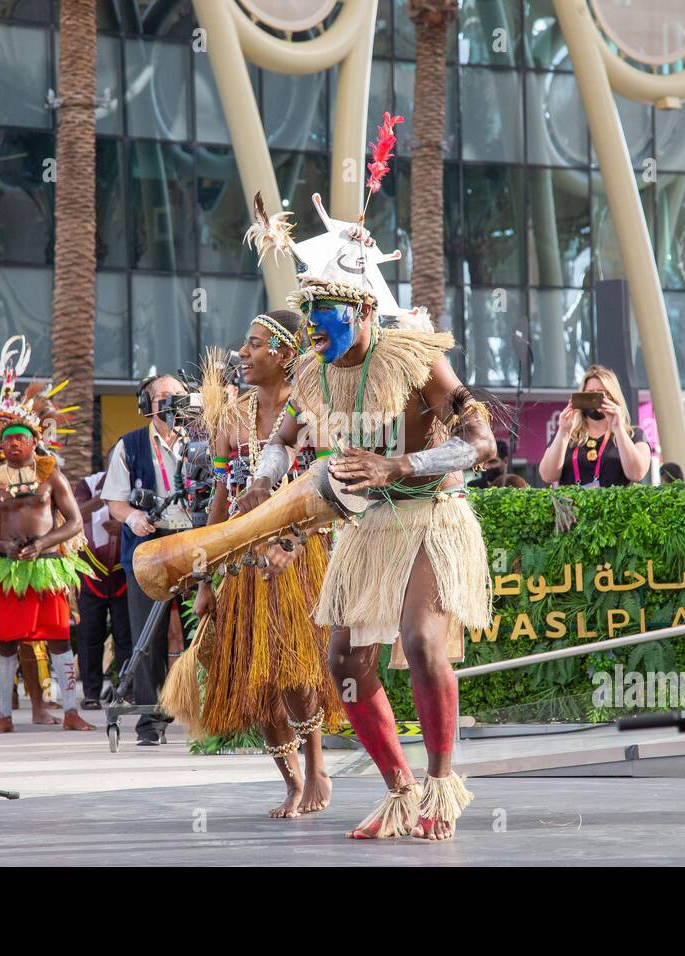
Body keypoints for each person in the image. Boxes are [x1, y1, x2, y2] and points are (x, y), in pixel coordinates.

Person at [235, 160, 495, 841]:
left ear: (366, 309)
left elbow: (481, 442)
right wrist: (262, 480)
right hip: (365, 525)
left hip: (431, 514)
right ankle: (399, 791)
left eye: (327, 310)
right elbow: (281, 436)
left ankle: (441, 784)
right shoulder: (312, 369)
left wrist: (399, 463)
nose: (315, 322)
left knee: (419, 638)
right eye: (309, 311)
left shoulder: (416, 358)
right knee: (345, 664)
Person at [169, 311, 342, 818]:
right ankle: (289, 779)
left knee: (295, 671)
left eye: (255, 345)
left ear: (287, 355)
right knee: (253, 675)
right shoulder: (229, 418)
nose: (242, 354)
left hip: (301, 557)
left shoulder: (313, 413)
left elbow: (328, 493)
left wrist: (289, 543)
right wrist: (204, 577)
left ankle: (316, 770)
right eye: (245, 345)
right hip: (244, 564)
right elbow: (218, 505)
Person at [0, 406, 93, 734]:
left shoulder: (52, 475)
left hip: (48, 567)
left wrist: (43, 543)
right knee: (6, 643)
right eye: (6, 440)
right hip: (9, 570)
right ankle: (4, 715)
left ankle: (71, 711)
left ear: (35, 441)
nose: (13, 445)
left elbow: (75, 521)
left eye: (20, 439)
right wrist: (4, 548)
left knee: (60, 641)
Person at [102, 374, 193, 746]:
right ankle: (150, 724)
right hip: (148, 548)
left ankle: (208, 716)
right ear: (147, 404)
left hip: (194, 543)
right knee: (147, 637)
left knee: (202, 631)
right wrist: (134, 517)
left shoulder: (200, 441)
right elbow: (115, 502)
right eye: (163, 397)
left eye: (178, 397)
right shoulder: (130, 445)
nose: (171, 403)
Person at [538, 365, 651, 488]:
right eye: (590, 394)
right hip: (574, 506)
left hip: (614, 506)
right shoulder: (567, 435)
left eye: (603, 394)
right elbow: (547, 476)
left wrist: (618, 428)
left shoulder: (633, 435)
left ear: (613, 398)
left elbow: (637, 474)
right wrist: (563, 431)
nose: (595, 400)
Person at [73, 465, 130, 708]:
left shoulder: (133, 482)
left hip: (123, 573)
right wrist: (102, 499)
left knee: (126, 636)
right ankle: (91, 694)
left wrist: (124, 527)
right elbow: (75, 516)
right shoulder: (87, 484)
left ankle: (128, 691)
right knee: (89, 636)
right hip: (91, 573)